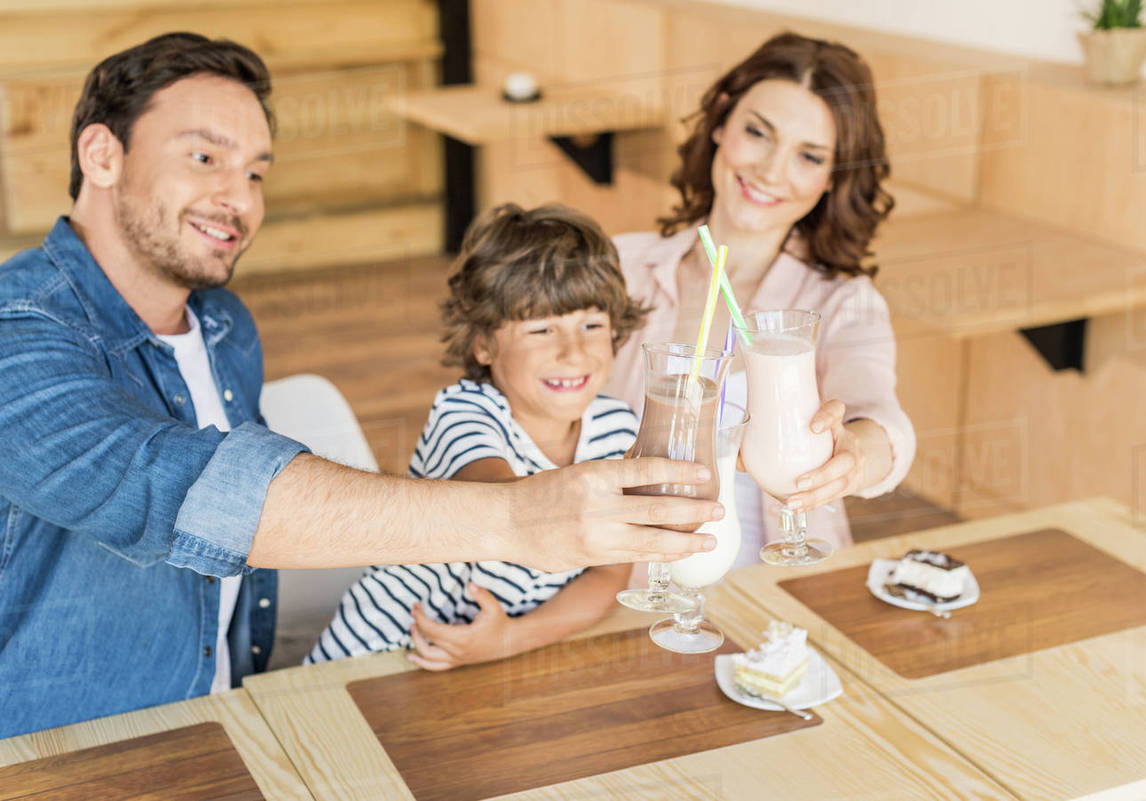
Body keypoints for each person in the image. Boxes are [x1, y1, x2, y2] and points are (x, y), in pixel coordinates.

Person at [0, 33, 719, 739]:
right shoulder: (16, 328)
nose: (239, 198)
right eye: (204, 157)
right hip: (62, 751)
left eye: (255, 171)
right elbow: (186, 492)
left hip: (218, 711)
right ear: (102, 155)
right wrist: (520, 517)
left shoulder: (221, 324)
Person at [607, 32, 916, 570]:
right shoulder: (621, 267)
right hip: (622, 584)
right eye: (758, 133)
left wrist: (855, 454)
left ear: (830, 179)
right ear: (721, 122)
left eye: (809, 156)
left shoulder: (844, 302)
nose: (772, 171)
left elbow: (880, 415)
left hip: (779, 591)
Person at [309, 203, 646, 669]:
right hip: (385, 647)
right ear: (483, 342)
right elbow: (504, 501)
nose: (574, 352)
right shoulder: (463, 412)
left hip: (500, 658)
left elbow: (609, 576)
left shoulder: (617, 429)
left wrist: (511, 639)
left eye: (592, 325)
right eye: (542, 329)